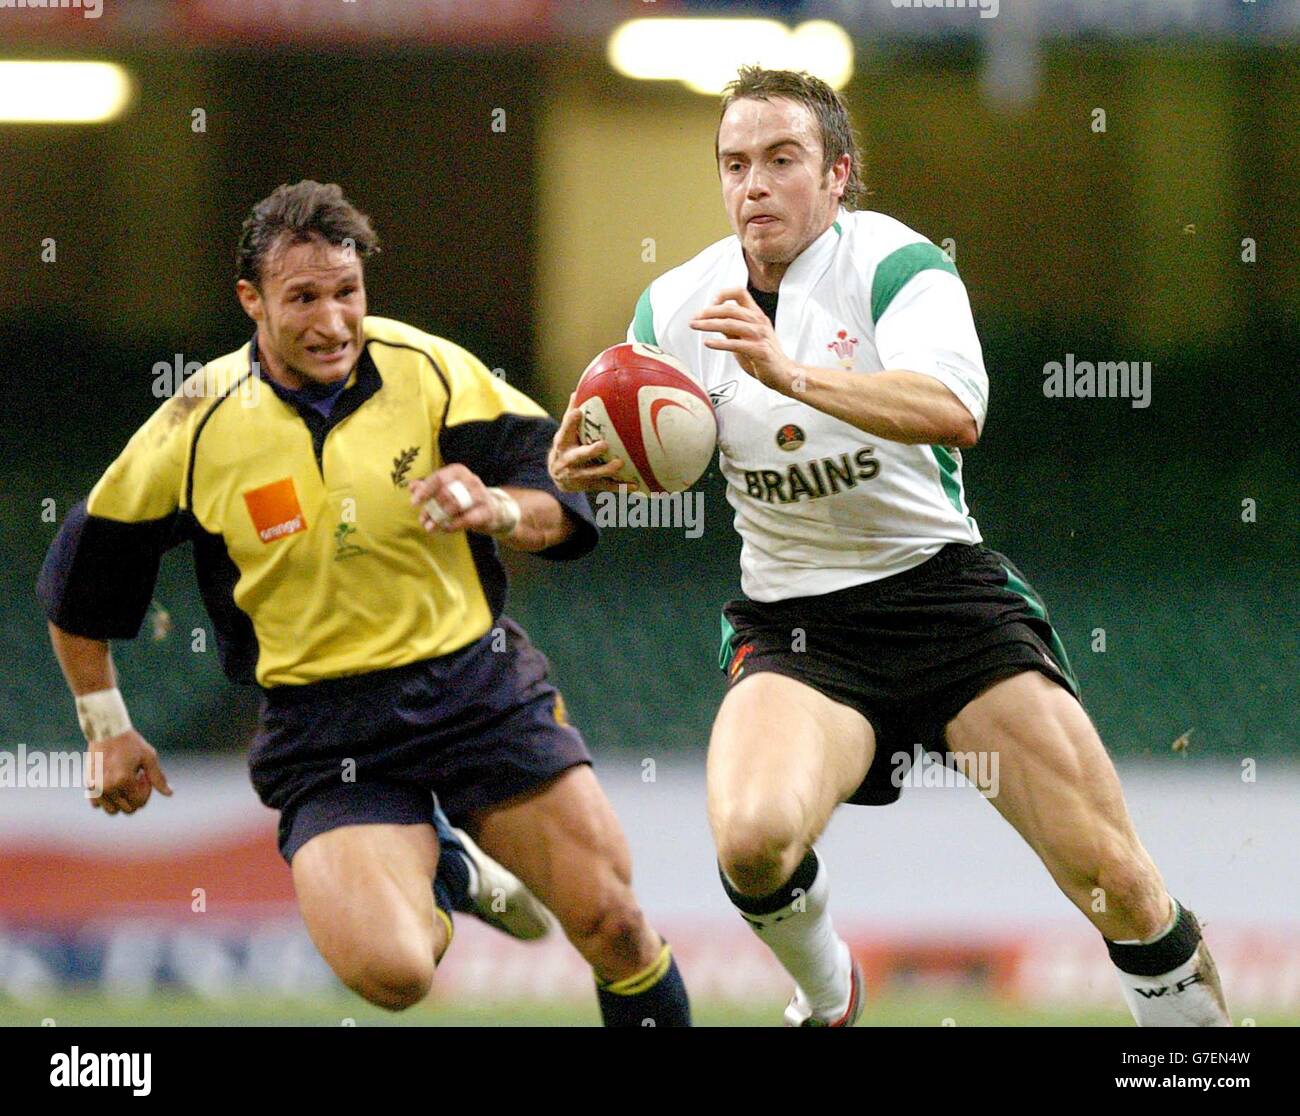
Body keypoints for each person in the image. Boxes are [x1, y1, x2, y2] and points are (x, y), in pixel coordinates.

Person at [549, 67, 1229, 1027]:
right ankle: (831, 997)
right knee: (751, 841)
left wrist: (785, 374)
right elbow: (624, 439)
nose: (755, 185)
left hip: (946, 604)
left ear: (837, 175)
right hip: (798, 628)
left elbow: (953, 410)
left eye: (782, 159)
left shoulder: (896, 267)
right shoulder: (674, 310)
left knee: (1118, 880)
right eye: (735, 164)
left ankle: (1200, 1055)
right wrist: (585, 467)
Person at [38, 179, 690, 1027]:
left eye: (347, 293)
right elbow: (80, 583)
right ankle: (451, 873)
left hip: (476, 692)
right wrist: (108, 728)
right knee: (394, 975)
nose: (333, 321)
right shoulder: (193, 425)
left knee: (616, 925)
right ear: (252, 301)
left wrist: (495, 507)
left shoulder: (431, 371)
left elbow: (560, 494)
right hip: (323, 728)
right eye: (302, 298)